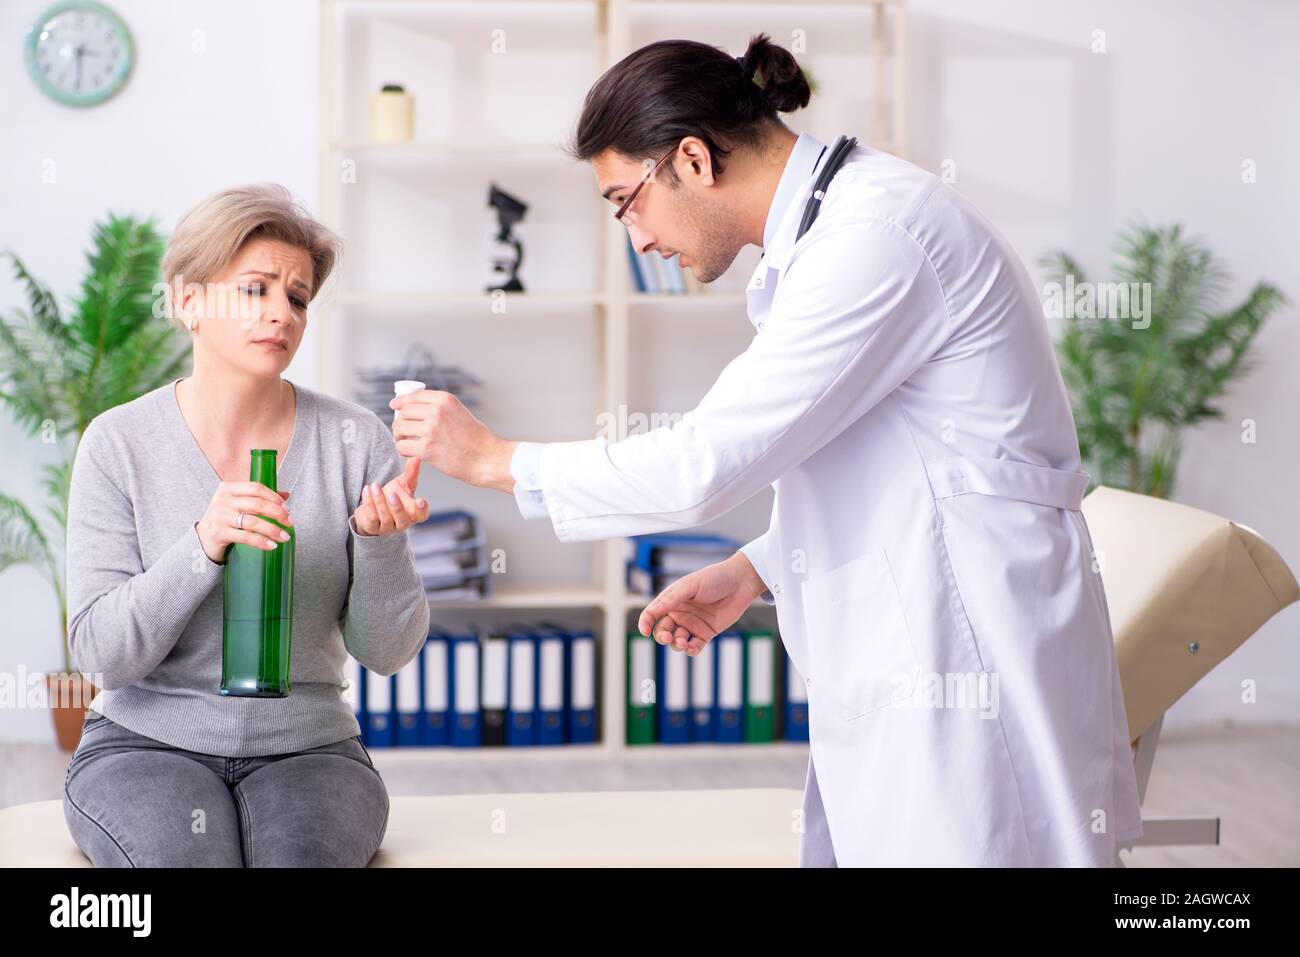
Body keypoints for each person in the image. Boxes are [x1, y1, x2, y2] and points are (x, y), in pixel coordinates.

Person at [388, 35, 1144, 866]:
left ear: (691, 159)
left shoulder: (877, 236)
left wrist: (497, 460)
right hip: (923, 643)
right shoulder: (834, 235)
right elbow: (892, 469)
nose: (635, 239)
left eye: (625, 201)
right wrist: (759, 567)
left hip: (969, 655)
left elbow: (702, 464)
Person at [63, 184, 430, 867]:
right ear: (186, 301)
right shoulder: (119, 443)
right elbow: (100, 651)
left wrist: (380, 546)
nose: (281, 313)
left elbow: (389, 651)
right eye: (255, 288)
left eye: (296, 297)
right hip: (146, 744)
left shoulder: (355, 440)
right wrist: (202, 545)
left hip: (311, 749)